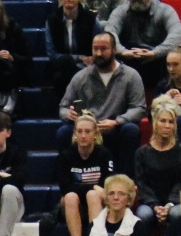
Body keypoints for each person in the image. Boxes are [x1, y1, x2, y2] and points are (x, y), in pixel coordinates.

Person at [58, 31, 147, 165]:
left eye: (103, 49)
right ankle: (68, 176)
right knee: (64, 132)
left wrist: (117, 122)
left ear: (114, 50)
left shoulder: (131, 75)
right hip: (87, 130)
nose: (98, 53)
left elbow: (139, 108)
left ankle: (126, 176)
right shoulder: (80, 77)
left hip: (116, 128)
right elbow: (63, 108)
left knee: (131, 130)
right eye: (95, 49)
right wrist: (68, 114)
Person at [107, 0, 181, 91]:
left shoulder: (165, 10)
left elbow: (177, 34)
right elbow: (109, 33)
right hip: (128, 62)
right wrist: (123, 52)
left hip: (159, 62)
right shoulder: (120, 12)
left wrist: (155, 53)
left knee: (174, 57)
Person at [56, 113, 113, 236]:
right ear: (75, 133)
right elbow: (65, 188)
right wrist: (92, 186)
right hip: (75, 204)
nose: (83, 136)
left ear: (95, 134)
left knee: (93, 195)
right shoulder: (65, 156)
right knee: (70, 196)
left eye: (87, 131)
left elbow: (107, 184)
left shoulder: (104, 154)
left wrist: (89, 189)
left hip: (98, 201)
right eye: (79, 131)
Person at [133, 99, 181, 227]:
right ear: (155, 122)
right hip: (149, 203)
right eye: (163, 121)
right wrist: (155, 206)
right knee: (143, 214)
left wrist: (169, 205)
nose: (167, 126)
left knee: (177, 214)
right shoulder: (141, 153)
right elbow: (142, 184)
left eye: (171, 122)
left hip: (176, 202)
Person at [44, 0, 97, 98]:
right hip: (61, 66)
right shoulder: (52, 20)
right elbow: (52, 54)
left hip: (86, 67)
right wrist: (79, 58)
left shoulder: (90, 19)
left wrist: (90, 59)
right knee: (62, 72)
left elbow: (99, 44)